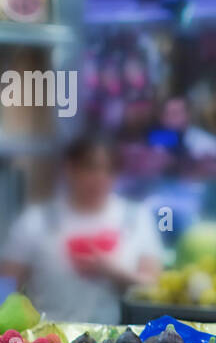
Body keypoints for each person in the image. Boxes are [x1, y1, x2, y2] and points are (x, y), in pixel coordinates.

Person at [0, 137, 162, 323]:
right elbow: (6, 287)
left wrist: (113, 272)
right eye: (90, 168)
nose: (99, 177)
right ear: (70, 168)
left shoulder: (135, 218)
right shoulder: (36, 221)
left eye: (108, 170)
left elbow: (155, 287)